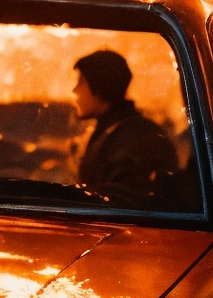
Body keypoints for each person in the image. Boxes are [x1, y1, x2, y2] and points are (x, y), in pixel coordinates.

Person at [73, 49, 180, 204]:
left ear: (98, 84)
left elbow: (121, 204)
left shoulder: (134, 138)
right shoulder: (117, 130)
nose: (74, 89)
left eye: (81, 80)